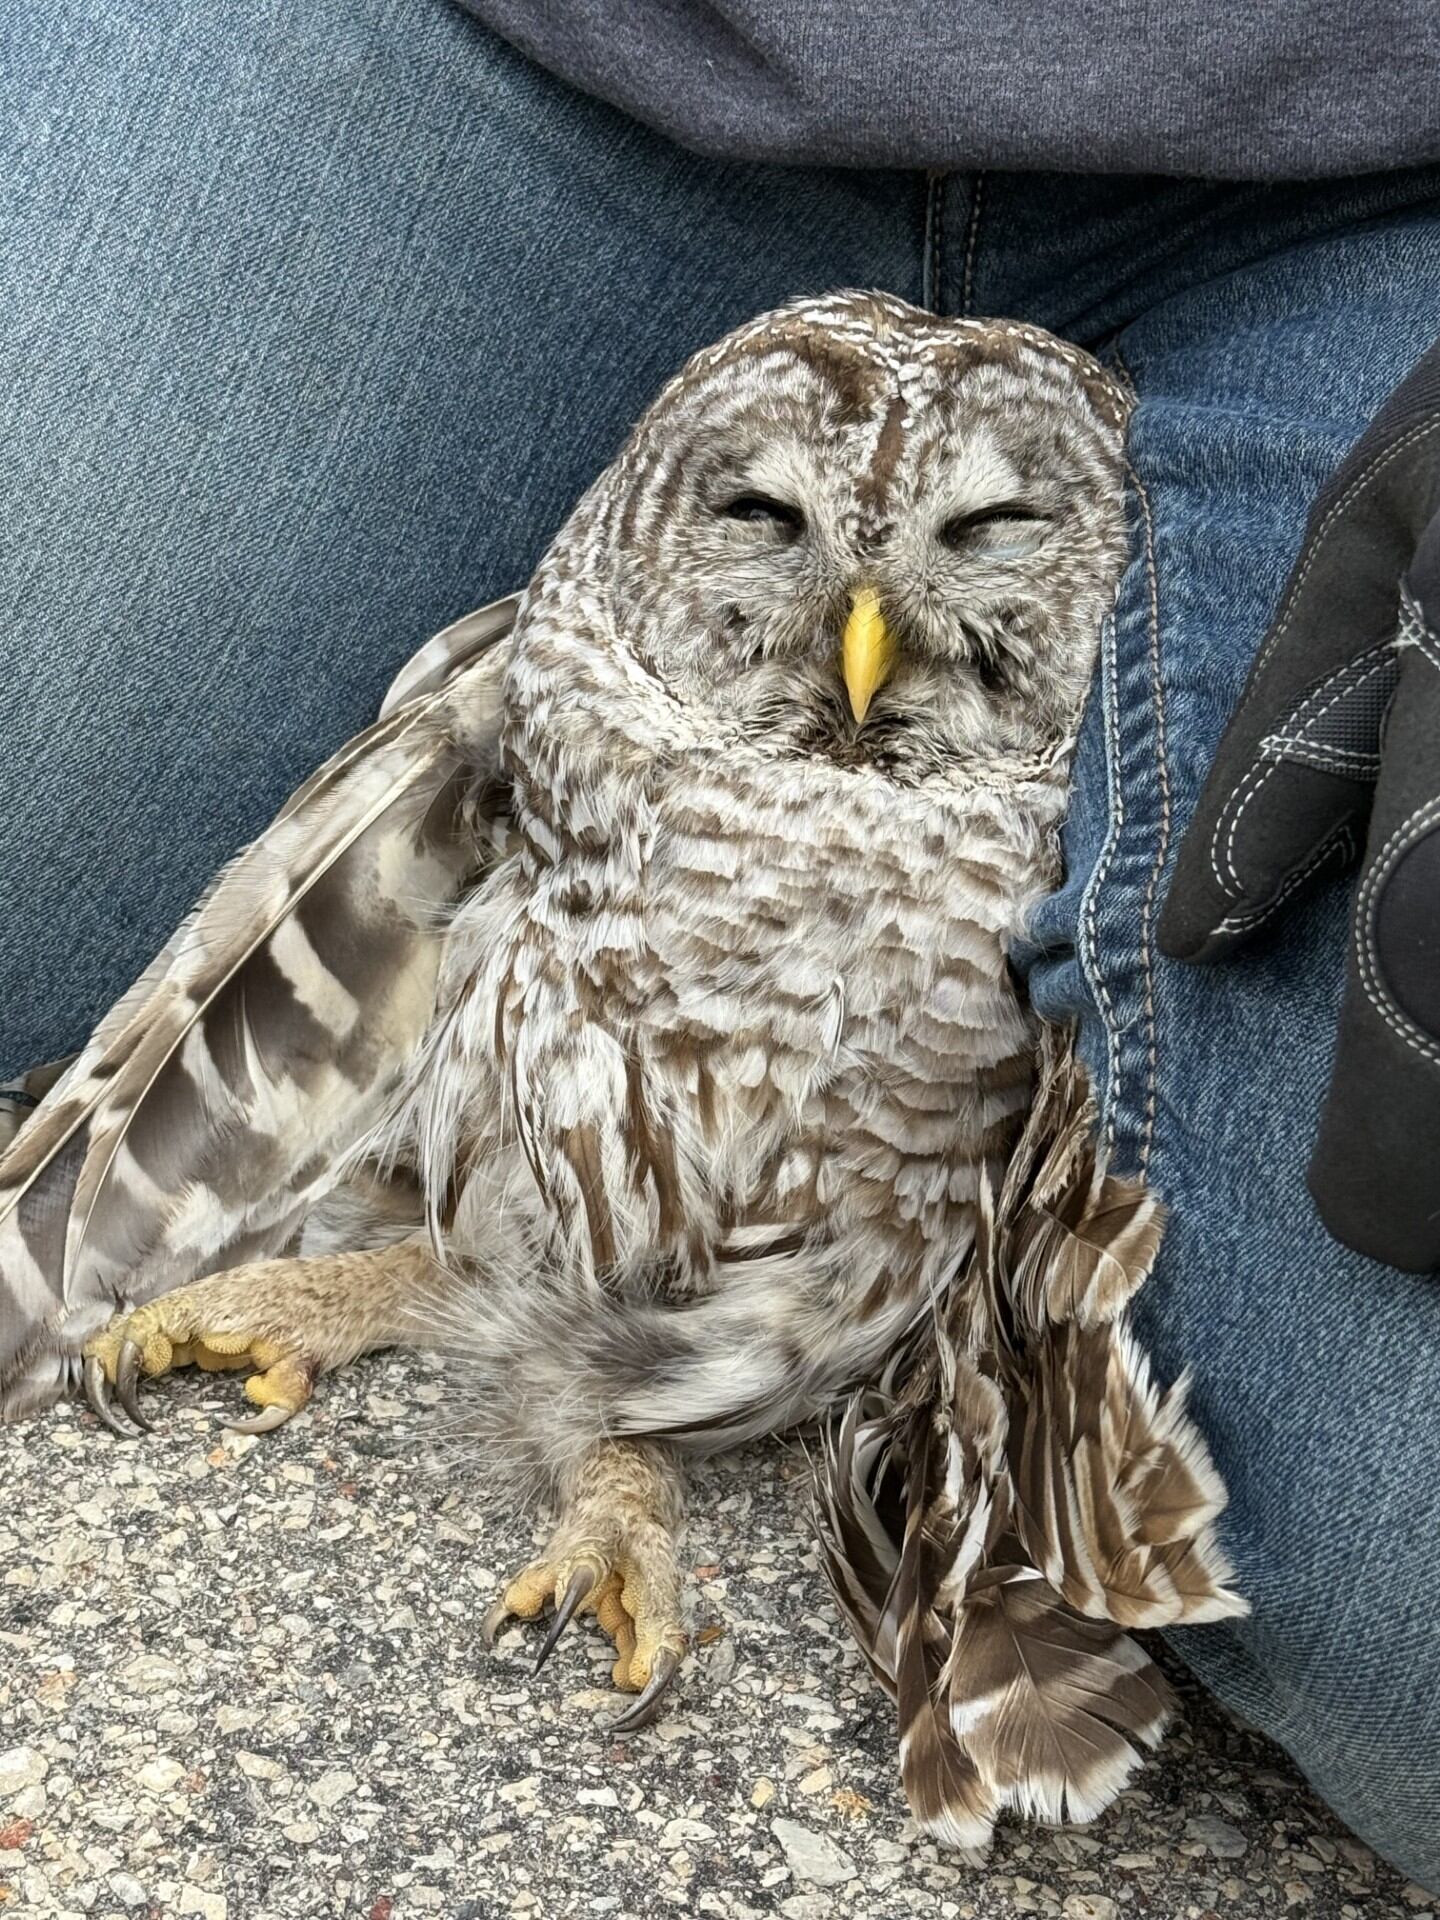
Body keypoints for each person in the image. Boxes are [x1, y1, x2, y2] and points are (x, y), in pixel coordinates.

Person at [3, 0, 1436, 1887]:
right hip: (566, 52)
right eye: (760, 527)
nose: (866, 642)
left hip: (1362, 167)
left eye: (988, 544)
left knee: (1403, 1589)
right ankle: (490, 1253)